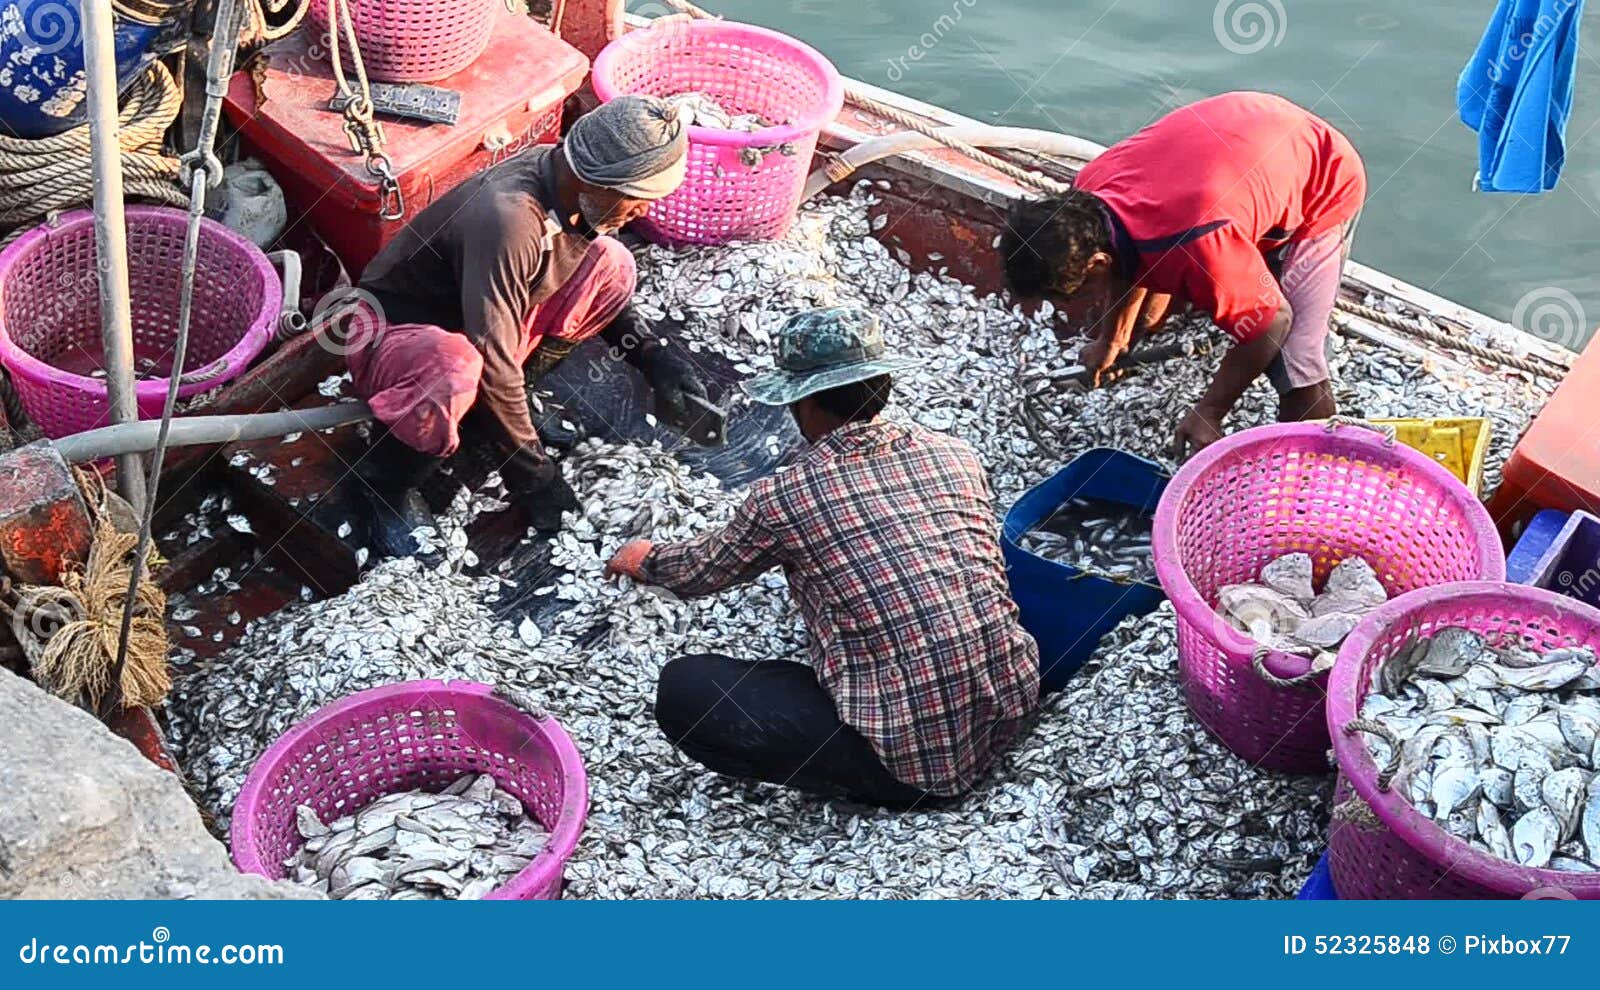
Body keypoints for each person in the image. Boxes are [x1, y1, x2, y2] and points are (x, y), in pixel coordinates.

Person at [605, 307, 1040, 806]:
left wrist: (646, 559)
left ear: (805, 404)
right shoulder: (954, 453)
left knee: (686, 691)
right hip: (1013, 702)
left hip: (915, 767)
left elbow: (703, 570)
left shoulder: (783, 497)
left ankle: (868, 784)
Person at [342, 95, 708, 554]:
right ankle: (381, 484)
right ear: (591, 180)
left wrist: (652, 356)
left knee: (612, 264)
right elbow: (491, 359)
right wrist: (536, 478)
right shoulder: (509, 217)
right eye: (637, 200)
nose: (643, 214)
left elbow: (507, 332)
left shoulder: (570, 189)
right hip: (392, 335)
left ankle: (488, 420)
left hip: (477, 320)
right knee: (456, 368)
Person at [1000, 91, 1367, 459]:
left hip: (1322, 174)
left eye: (1078, 290)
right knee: (1158, 309)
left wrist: (1210, 410)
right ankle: (1241, 266)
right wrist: (1113, 339)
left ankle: (1315, 467)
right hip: (1248, 130)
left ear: (1096, 263)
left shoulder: (1198, 241)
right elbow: (1123, 254)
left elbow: (1273, 322)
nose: (1081, 298)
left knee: (1294, 362)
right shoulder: (1090, 187)